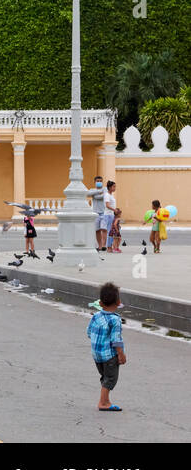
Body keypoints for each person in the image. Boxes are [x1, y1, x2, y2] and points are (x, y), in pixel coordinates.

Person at [88, 282, 126, 412]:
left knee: (105, 377)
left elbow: (89, 332)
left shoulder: (96, 316)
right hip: (109, 356)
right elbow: (116, 340)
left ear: (101, 303)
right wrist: (121, 354)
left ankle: (106, 400)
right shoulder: (115, 320)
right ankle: (103, 402)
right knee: (110, 378)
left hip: (97, 354)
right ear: (118, 302)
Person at [86, 175, 108, 251]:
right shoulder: (92, 189)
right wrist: (99, 191)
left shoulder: (105, 189)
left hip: (104, 212)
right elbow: (87, 194)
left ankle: (104, 245)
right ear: (95, 182)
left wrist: (95, 194)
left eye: (100, 181)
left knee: (104, 229)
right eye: (97, 181)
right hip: (95, 213)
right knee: (97, 230)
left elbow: (100, 197)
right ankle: (100, 246)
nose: (99, 182)